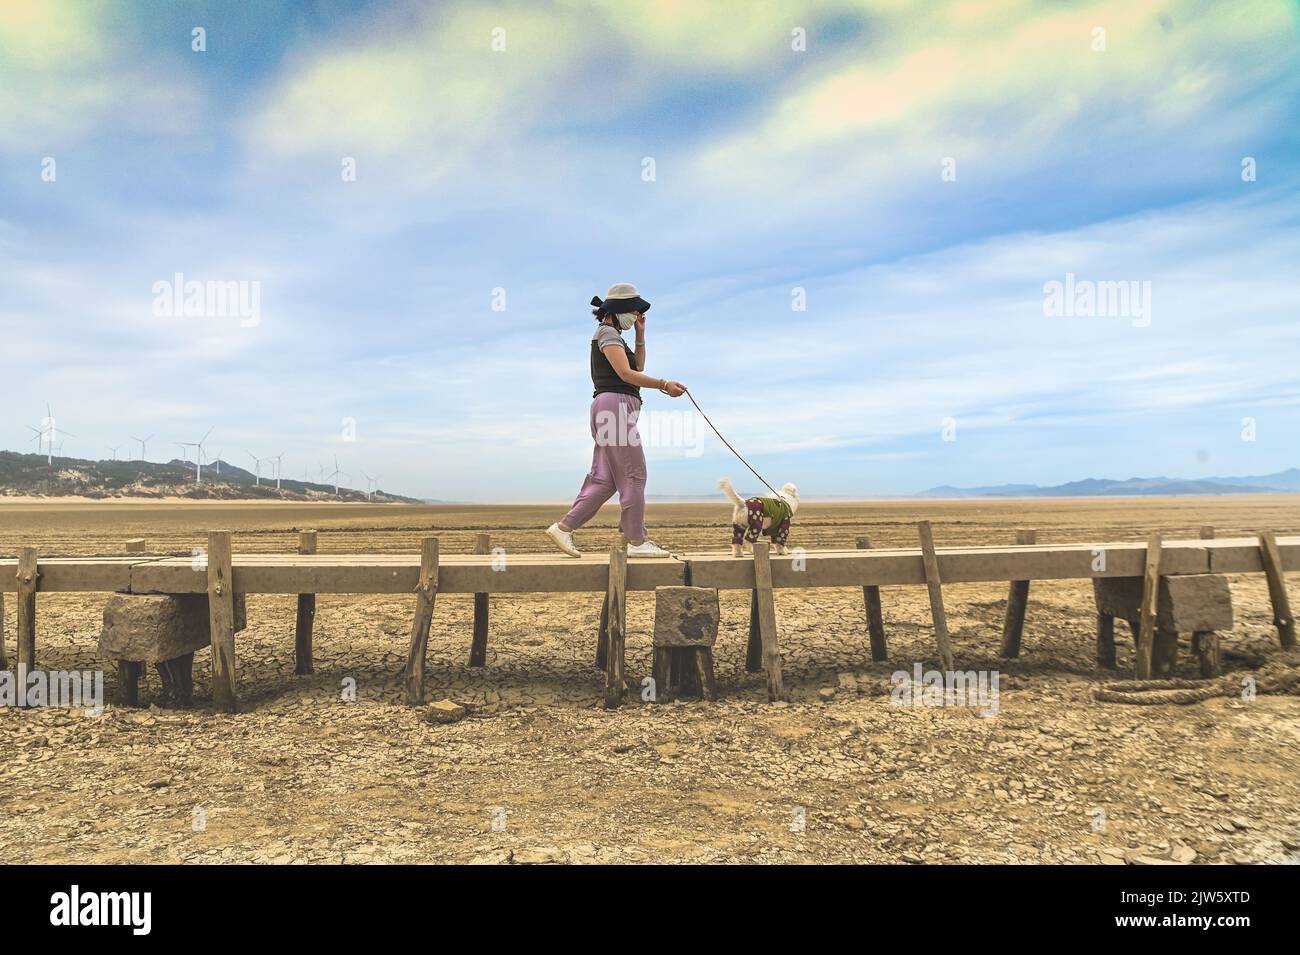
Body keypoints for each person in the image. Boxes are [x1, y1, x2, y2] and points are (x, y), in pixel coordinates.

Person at [546, 283, 687, 558]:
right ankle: (636, 541)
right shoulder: (607, 333)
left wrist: (640, 334)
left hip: (610, 409)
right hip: (615, 409)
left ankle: (564, 528)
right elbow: (625, 374)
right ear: (619, 310)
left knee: (605, 480)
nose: (636, 316)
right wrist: (664, 384)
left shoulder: (613, 335)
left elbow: (638, 367)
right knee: (635, 474)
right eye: (633, 311)